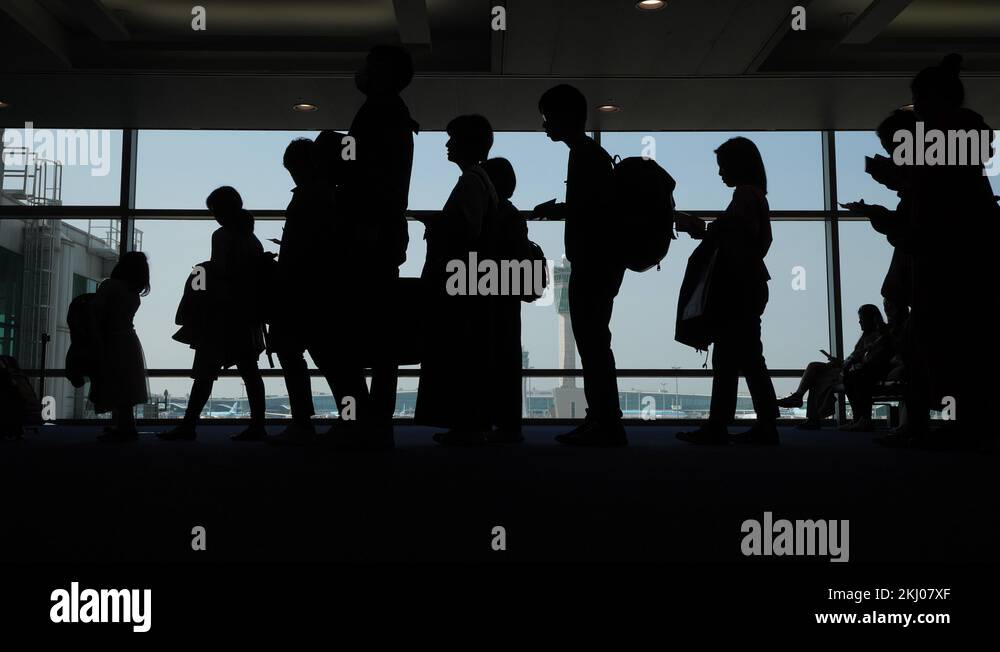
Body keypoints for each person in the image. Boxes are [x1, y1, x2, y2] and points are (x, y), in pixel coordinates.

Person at [879, 54, 998, 447]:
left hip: (945, 264)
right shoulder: (963, 147)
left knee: (937, 345)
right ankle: (959, 424)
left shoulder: (940, 155)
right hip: (961, 261)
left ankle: (940, 426)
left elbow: (936, 211)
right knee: (953, 346)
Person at [332, 45, 420, 451]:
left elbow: (360, 175)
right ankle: (373, 421)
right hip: (382, 237)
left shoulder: (377, 114)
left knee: (347, 338)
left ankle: (360, 419)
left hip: (366, 237)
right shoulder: (394, 115)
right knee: (379, 341)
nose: (361, 69)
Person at [534, 84, 627, 447]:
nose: (544, 126)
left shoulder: (585, 155)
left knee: (593, 344)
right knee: (594, 343)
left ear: (565, 117)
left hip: (593, 264)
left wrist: (558, 210)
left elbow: (594, 210)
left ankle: (605, 422)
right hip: (601, 263)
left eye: (547, 117)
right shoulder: (589, 153)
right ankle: (602, 419)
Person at [674, 137, 779, 445]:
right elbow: (751, 240)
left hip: (738, 287)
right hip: (749, 285)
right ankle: (759, 424)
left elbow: (737, 238)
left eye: (723, 166)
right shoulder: (755, 195)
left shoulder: (744, 195)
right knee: (745, 358)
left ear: (738, 165)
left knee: (731, 360)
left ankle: (722, 425)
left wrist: (705, 230)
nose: (720, 173)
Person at [267, 138, 360, 445]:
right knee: (331, 360)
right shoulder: (329, 195)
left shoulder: (310, 197)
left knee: (295, 355)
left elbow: (308, 245)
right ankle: (348, 421)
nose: (292, 174)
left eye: (293, 168)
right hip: (318, 289)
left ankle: (303, 421)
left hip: (301, 290)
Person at [159, 186, 269, 442]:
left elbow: (220, 272)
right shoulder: (253, 240)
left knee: (205, 372)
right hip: (245, 314)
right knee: (250, 372)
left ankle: (188, 425)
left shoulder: (221, 236)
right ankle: (258, 424)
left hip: (220, 314)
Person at [415, 114, 498, 445]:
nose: (447, 145)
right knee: (470, 354)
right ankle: (471, 422)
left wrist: (434, 227)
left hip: (459, 283)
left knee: (459, 353)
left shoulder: (469, 183)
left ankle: (466, 425)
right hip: (474, 282)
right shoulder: (482, 181)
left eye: (453, 139)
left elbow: (465, 233)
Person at [777, 305, 891, 431]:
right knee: (814, 367)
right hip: (851, 369)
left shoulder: (878, 337)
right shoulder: (869, 337)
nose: (859, 322)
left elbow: (865, 360)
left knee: (815, 374)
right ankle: (799, 398)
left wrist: (844, 364)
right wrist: (840, 362)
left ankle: (803, 405)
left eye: (862, 319)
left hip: (856, 372)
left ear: (872, 319)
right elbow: (857, 359)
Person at [481, 157, 527, 443]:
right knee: (507, 356)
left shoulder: (493, 216)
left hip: (488, 293)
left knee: (490, 355)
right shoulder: (512, 216)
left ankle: (492, 419)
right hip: (507, 294)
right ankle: (508, 423)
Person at [90, 251, 150, 442]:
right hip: (128, 339)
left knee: (115, 382)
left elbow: (97, 313)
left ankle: (125, 428)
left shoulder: (110, 286)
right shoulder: (133, 291)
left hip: (112, 340)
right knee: (126, 385)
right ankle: (126, 425)